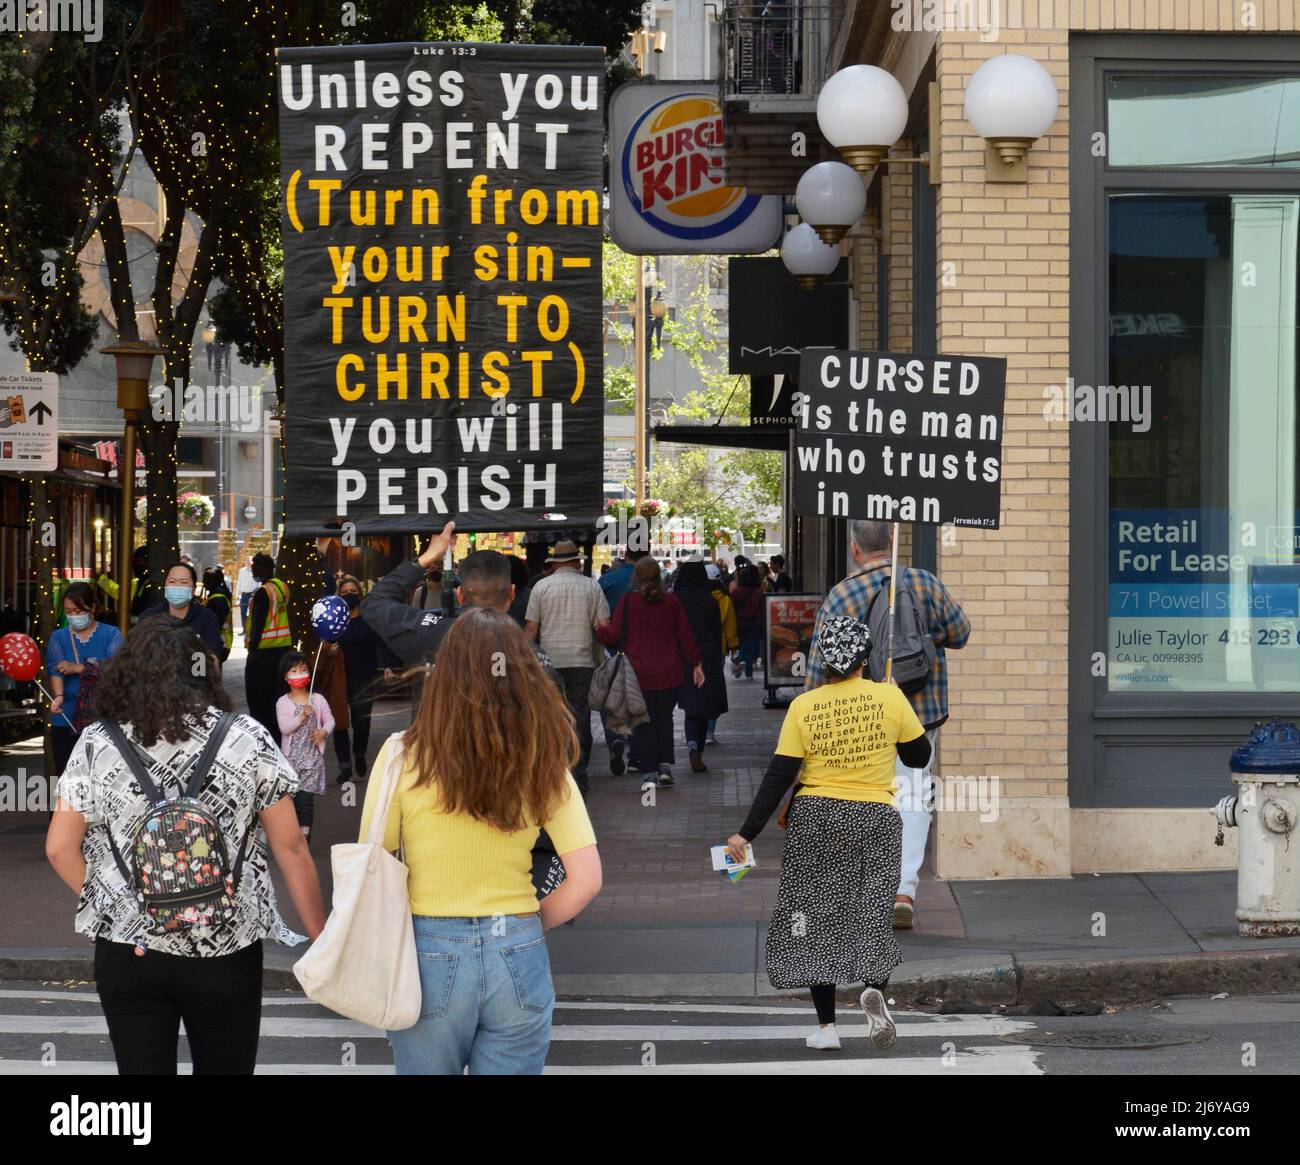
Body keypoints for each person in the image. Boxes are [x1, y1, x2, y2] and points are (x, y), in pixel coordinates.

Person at [44, 617, 325, 1075]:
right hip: (226, 946)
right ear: (204, 671)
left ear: (128, 672)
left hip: (130, 948)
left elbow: (59, 848)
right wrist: (320, 938)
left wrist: (122, 907)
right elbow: (291, 848)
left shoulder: (97, 742)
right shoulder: (246, 736)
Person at [358, 607, 602, 1075]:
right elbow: (587, 879)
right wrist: (526, 922)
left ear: (443, 673)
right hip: (518, 946)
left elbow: (377, 860)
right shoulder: (542, 757)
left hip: (428, 949)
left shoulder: (401, 755)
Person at [725, 615, 932, 1052]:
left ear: (823, 660)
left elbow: (779, 775)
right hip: (875, 817)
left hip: (817, 817)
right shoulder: (888, 698)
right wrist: (897, 702)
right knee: (873, 910)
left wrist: (747, 833)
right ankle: (873, 986)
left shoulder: (805, 706)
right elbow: (918, 757)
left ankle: (826, 1029)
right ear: (865, 658)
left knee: (819, 917)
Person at [806, 519, 971, 930]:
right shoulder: (925, 582)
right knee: (913, 795)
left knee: (861, 797)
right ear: (895, 540)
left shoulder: (843, 594)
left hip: (858, 718)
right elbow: (961, 633)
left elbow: (816, 666)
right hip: (919, 711)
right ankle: (903, 890)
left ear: (854, 548)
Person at [597, 558, 703, 790]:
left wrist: (598, 631)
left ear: (636, 577)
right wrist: (696, 663)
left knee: (643, 723)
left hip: (638, 673)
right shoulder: (672, 602)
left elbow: (614, 636)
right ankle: (665, 767)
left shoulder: (627, 602)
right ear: (659, 576)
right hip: (670, 671)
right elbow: (686, 636)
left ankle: (650, 772)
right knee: (665, 719)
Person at [524, 540, 609, 796]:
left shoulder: (541, 587)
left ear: (555, 563)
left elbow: (530, 630)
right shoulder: (591, 586)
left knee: (551, 715)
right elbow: (604, 626)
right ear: (577, 561)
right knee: (580, 717)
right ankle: (578, 777)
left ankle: (556, 774)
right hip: (582, 661)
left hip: (549, 663)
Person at [46, 582, 124, 774]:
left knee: (101, 775)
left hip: (103, 720)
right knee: (65, 775)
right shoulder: (58, 637)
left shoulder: (112, 634)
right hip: (65, 719)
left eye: (79, 611)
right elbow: (55, 669)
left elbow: (114, 667)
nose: (73, 616)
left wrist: (79, 668)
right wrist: (58, 696)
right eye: (69, 611)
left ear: (93, 608)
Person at [330, 573, 398, 782]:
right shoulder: (334, 618)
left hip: (364, 676)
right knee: (339, 721)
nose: (349, 595)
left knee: (361, 720)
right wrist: (329, 651)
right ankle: (344, 765)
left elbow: (382, 641)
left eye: (353, 592)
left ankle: (359, 753)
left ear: (360, 594)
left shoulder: (369, 617)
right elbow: (321, 643)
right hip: (339, 677)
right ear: (338, 595)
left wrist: (388, 665)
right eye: (345, 592)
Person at [275, 650, 334, 842]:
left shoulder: (317, 699)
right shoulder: (282, 703)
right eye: (294, 670)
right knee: (291, 801)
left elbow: (330, 721)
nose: (300, 673)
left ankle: (304, 835)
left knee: (305, 800)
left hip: (311, 760)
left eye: (303, 669)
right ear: (286, 676)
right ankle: (295, 831)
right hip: (290, 761)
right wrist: (301, 716)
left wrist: (323, 732)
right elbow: (284, 728)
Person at [597, 546, 646, 775]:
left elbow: (598, 616)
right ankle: (636, 754)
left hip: (611, 650)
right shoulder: (653, 582)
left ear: (625, 555)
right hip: (643, 652)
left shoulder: (607, 580)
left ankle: (614, 737)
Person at [672, 561, 725, 774]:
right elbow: (716, 630)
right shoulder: (709, 599)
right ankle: (699, 749)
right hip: (708, 655)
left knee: (690, 705)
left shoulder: (676, 600)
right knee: (705, 705)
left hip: (684, 655)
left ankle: (692, 745)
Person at [243, 552, 292, 742]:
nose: (253, 571)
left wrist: (252, 648)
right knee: (276, 699)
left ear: (266, 568)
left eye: (256, 568)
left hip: (263, 654)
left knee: (258, 701)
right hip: (283, 650)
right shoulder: (282, 587)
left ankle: (263, 738)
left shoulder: (263, 592)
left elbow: (258, 623)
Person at [140, 562, 225, 660]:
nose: (177, 586)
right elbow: (138, 657)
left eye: (183, 582)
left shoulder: (207, 618)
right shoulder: (149, 617)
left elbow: (211, 656)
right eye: (172, 582)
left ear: (193, 589)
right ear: (165, 587)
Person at [706, 563, 738, 744]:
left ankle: (699, 730)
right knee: (714, 689)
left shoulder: (699, 599)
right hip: (719, 650)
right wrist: (734, 648)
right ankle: (710, 730)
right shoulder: (725, 600)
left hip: (698, 649)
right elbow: (730, 627)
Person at [730, 564, 764, 680]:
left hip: (739, 624)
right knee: (751, 646)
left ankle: (739, 661)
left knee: (741, 644)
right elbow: (760, 609)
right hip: (753, 624)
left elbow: (732, 609)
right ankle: (749, 670)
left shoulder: (736, 592)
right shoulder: (758, 593)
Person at [199, 567, 233, 663]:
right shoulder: (215, 597)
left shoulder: (217, 600)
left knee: (207, 673)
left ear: (213, 581)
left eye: (206, 579)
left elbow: (215, 625)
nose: (203, 582)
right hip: (218, 644)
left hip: (216, 645)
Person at [235, 556, 258, 625]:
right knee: (243, 612)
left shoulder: (255, 570)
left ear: (252, 562)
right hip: (244, 594)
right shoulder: (242, 571)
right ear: (245, 562)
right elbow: (239, 582)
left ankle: (251, 629)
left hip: (253, 595)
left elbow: (258, 583)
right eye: (246, 560)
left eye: (249, 561)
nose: (248, 562)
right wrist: (237, 595)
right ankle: (244, 630)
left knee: (253, 612)